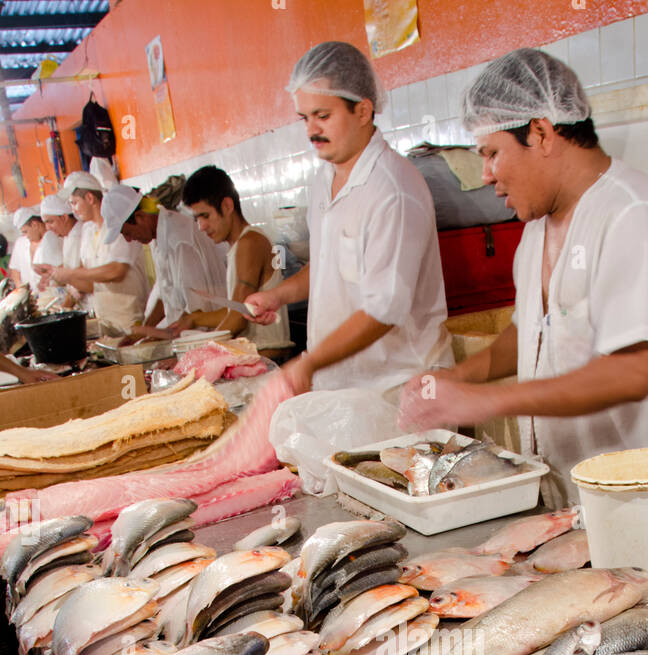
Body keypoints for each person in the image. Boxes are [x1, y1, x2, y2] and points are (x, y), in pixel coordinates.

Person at [399, 48, 648, 507]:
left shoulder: (634, 214)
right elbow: (529, 331)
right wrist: (454, 381)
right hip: (564, 494)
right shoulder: (537, 226)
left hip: (639, 499)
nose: (485, 176)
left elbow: (633, 372)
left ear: (540, 132)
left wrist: (486, 403)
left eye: (492, 153)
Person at [246, 40, 452, 399]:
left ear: (363, 110)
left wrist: (309, 363)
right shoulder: (324, 180)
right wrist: (278, 295)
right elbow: (326, 266)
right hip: (343, 386)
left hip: (398, 389)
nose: (311, 131)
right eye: (305, 118)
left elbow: (382, 311)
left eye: (323, 116)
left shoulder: (392, 190)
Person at [174, 165, 290, 353]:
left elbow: (238, 318)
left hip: (267, 359)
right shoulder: (239, 245)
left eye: (205, 216)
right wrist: (195, 318)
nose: (201, 226)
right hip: (256, 357)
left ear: (227, 206)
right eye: (197, 219)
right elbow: (236, 309)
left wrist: (199, 355)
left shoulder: (250, 243)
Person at [101, 184, 227, 339]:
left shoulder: (179, 241)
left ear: (140, 218)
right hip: (187, 338)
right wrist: (144, 332)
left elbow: (197, 313)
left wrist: (154, 335)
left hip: (206, 338)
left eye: (127, 233)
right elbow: (165, 293)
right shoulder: (158, 236)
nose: (128, 240)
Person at [48, 171, 149, 332]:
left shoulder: (119, 224)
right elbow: (90, 284)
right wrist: (61, 276)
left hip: (131, 318)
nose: (73, 210)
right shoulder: (87, 230)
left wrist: (71, 274)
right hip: (105, 319)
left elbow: (116, 271)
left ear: (89, 198)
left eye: (74, 202)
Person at [8, 209, 47, 293]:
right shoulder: (20, 242)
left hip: (52, 296)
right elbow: (15, 269)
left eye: (26, 231)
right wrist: (21, 288)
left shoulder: (53, 240)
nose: (25, 236)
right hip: (30, 297)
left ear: (35, 225)